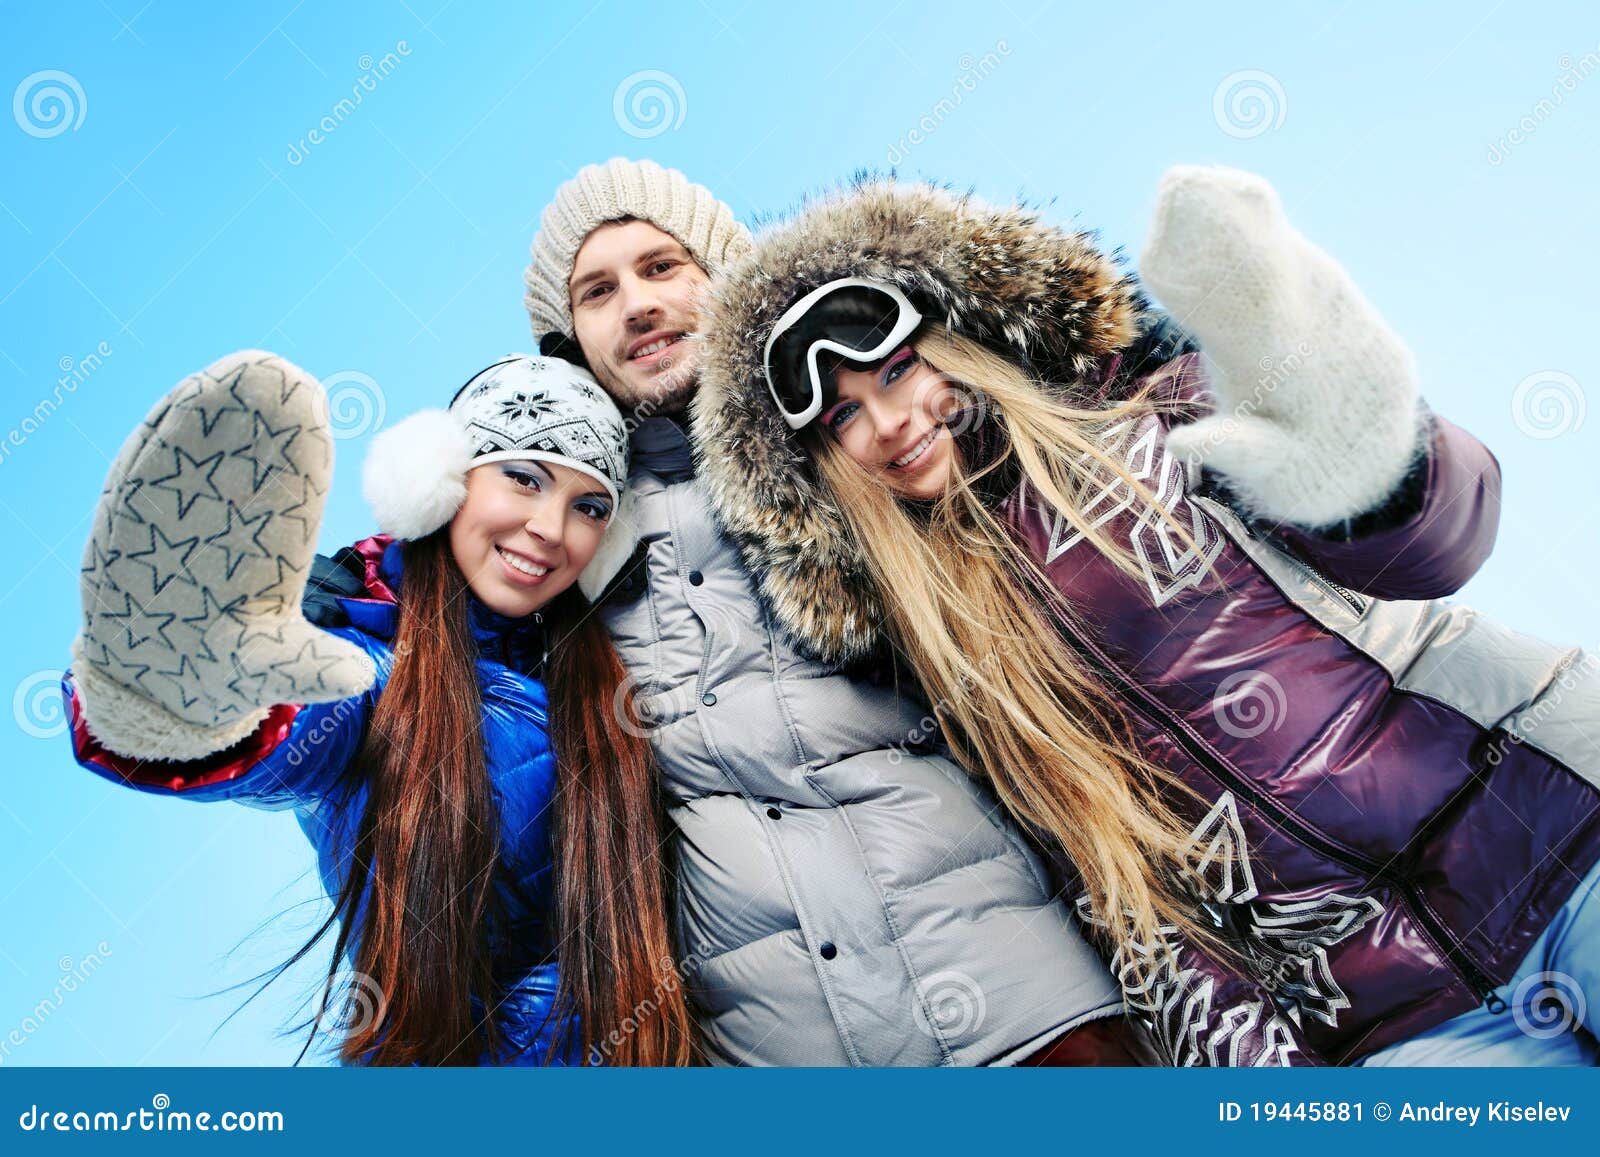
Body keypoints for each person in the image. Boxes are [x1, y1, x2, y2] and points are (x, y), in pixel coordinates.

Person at [693, 163, 1600, 1066]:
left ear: (961, 338)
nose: (889, 420)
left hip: (1554, 825)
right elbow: (1122, 898)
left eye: (898, 369)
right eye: (844, 416)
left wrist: (1359, 448)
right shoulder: (938, 658)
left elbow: (1434, 549)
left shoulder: (1157, 418)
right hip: (1394, 1019)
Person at [508, 158, 1143, 1065]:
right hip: (784, 1048)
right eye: (597, 291)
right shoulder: (562, 543)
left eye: (662, 266)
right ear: (568, 342)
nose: (639, 305)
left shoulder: (850, 433)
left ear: (727, 278)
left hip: (1025, 1006)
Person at [61, 351, 692, 1066]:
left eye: (590, 507)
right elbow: (274, 727)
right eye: (524, 477)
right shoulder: (373, 675)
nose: (551, 527)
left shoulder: (611, 681)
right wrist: (180, 668)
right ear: (443, 484)